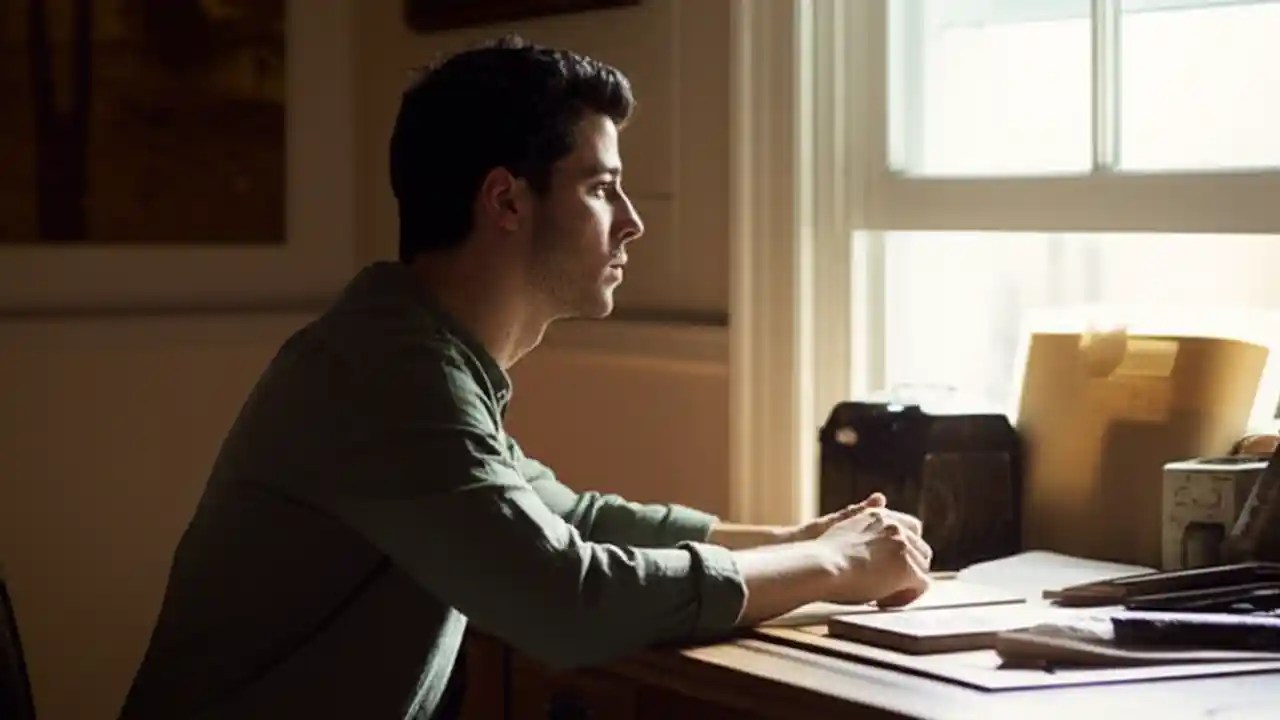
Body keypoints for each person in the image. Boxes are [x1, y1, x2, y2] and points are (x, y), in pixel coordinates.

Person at [117, 36, 933, 719]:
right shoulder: (385, 376)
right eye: (602, 189)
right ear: (506, 201)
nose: (633, 223)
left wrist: (796, 540)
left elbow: (569, 516)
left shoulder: (408, 352)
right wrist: (835, 568)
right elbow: (565, 596)